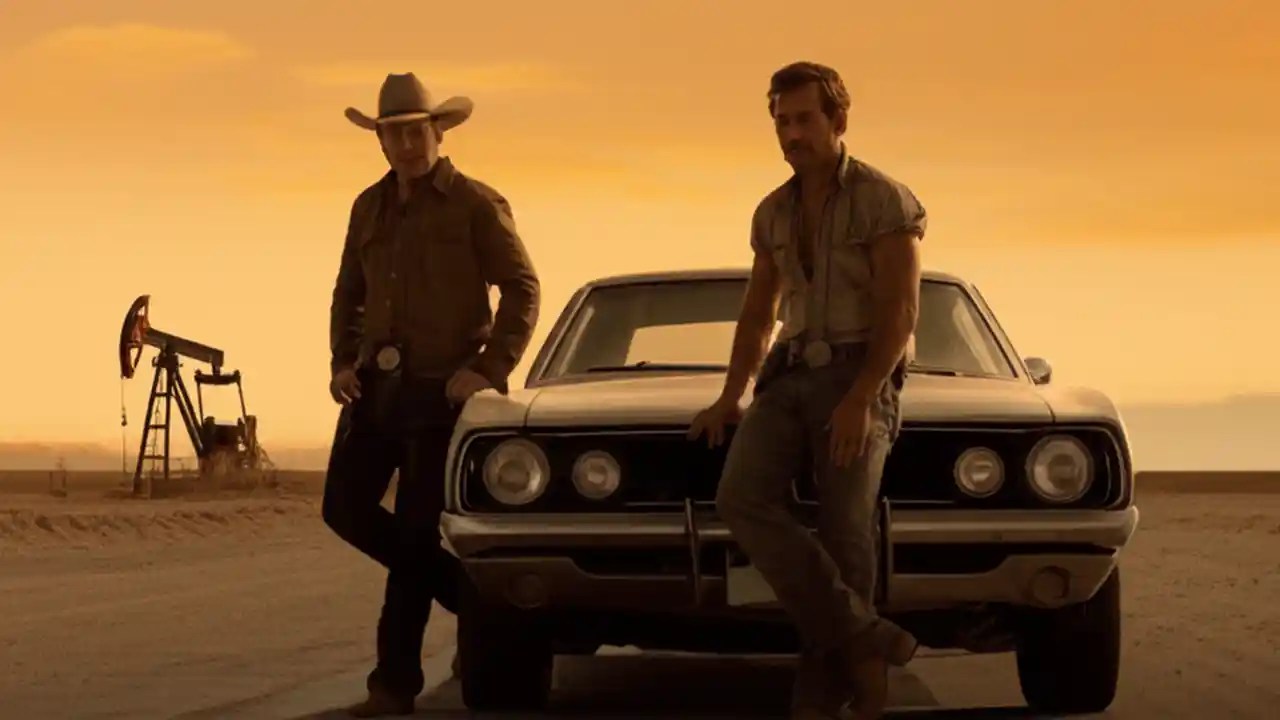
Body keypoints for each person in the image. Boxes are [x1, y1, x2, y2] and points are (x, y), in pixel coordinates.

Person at [688, 61, 925, 720]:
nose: (791, 133)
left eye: (803, 119)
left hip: (858, 374)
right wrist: (732, 394)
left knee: (847, 532)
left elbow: (900, 313)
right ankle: (866, 638)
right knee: (740, 496)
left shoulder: (886, 201)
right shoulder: (771, 212)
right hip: (788, 378)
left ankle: (831, 684)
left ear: (837, 120)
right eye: (781, 122)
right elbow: (757, 314)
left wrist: (862, 397)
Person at [322, 72, 540, 717]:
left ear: (439, 133)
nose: (407, 144)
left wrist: (488, 367)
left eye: (417, 131)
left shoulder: (475, 203)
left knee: (415, 534)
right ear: (381, 142)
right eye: (394, 134)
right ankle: (478, 598)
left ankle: (393, 686)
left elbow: (522, 288)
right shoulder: (368, 206)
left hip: (439, 395)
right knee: (343, 509)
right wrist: (341, 359)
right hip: (374, 390)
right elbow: (346, 292)